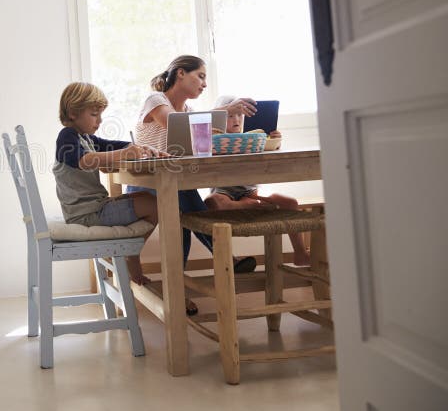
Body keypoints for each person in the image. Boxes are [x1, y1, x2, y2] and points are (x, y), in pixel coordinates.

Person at [51, 82, 214, 313]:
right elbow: (83, 161)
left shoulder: (85, 137)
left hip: (94, 209)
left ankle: (133, 252)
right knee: (159, 206)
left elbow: (109, 145)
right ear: (72, 113)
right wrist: (123, 153)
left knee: (155, 204)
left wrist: (138, 147)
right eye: (94, 114)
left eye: (101, 115)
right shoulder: (67, 136)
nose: (99, 121)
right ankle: (133, 252)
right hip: (88, 215)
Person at [126, 55, 259, 288]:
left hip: (171, 182)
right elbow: (174, 123)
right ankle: (223, 259)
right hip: (145, 180)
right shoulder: (155, 100)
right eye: (201, 76)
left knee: (182, 212)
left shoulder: (189, 110)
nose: (204, 84)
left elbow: (200, 145)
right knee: (183, 207)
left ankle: (178, 289)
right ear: (180, 73)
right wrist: (223, 110)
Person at [205, 95, 311, 266]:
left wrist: (275, 140)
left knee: (290, 203)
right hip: (224, 191)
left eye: (240, 115)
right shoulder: (216, 140)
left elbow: (270, 149)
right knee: (212, 201)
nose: (236, 120)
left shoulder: (253, 138)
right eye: (230, 115)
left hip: (251, 191)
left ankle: (300, 253)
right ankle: (244, 205)